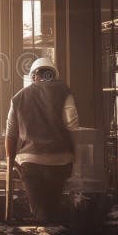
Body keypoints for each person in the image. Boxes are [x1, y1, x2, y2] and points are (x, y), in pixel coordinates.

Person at [5, 57, 78, 223]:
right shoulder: (64, 91)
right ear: (53, 74)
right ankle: (52, 229)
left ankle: (44, 227)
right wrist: (75, 156)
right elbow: (72, 124)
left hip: (30, 162)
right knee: (53, 208)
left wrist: (11, 163)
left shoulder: (18, 97)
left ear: (33, 76)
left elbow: (11, 133)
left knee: (40, 211)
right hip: (60, 160)